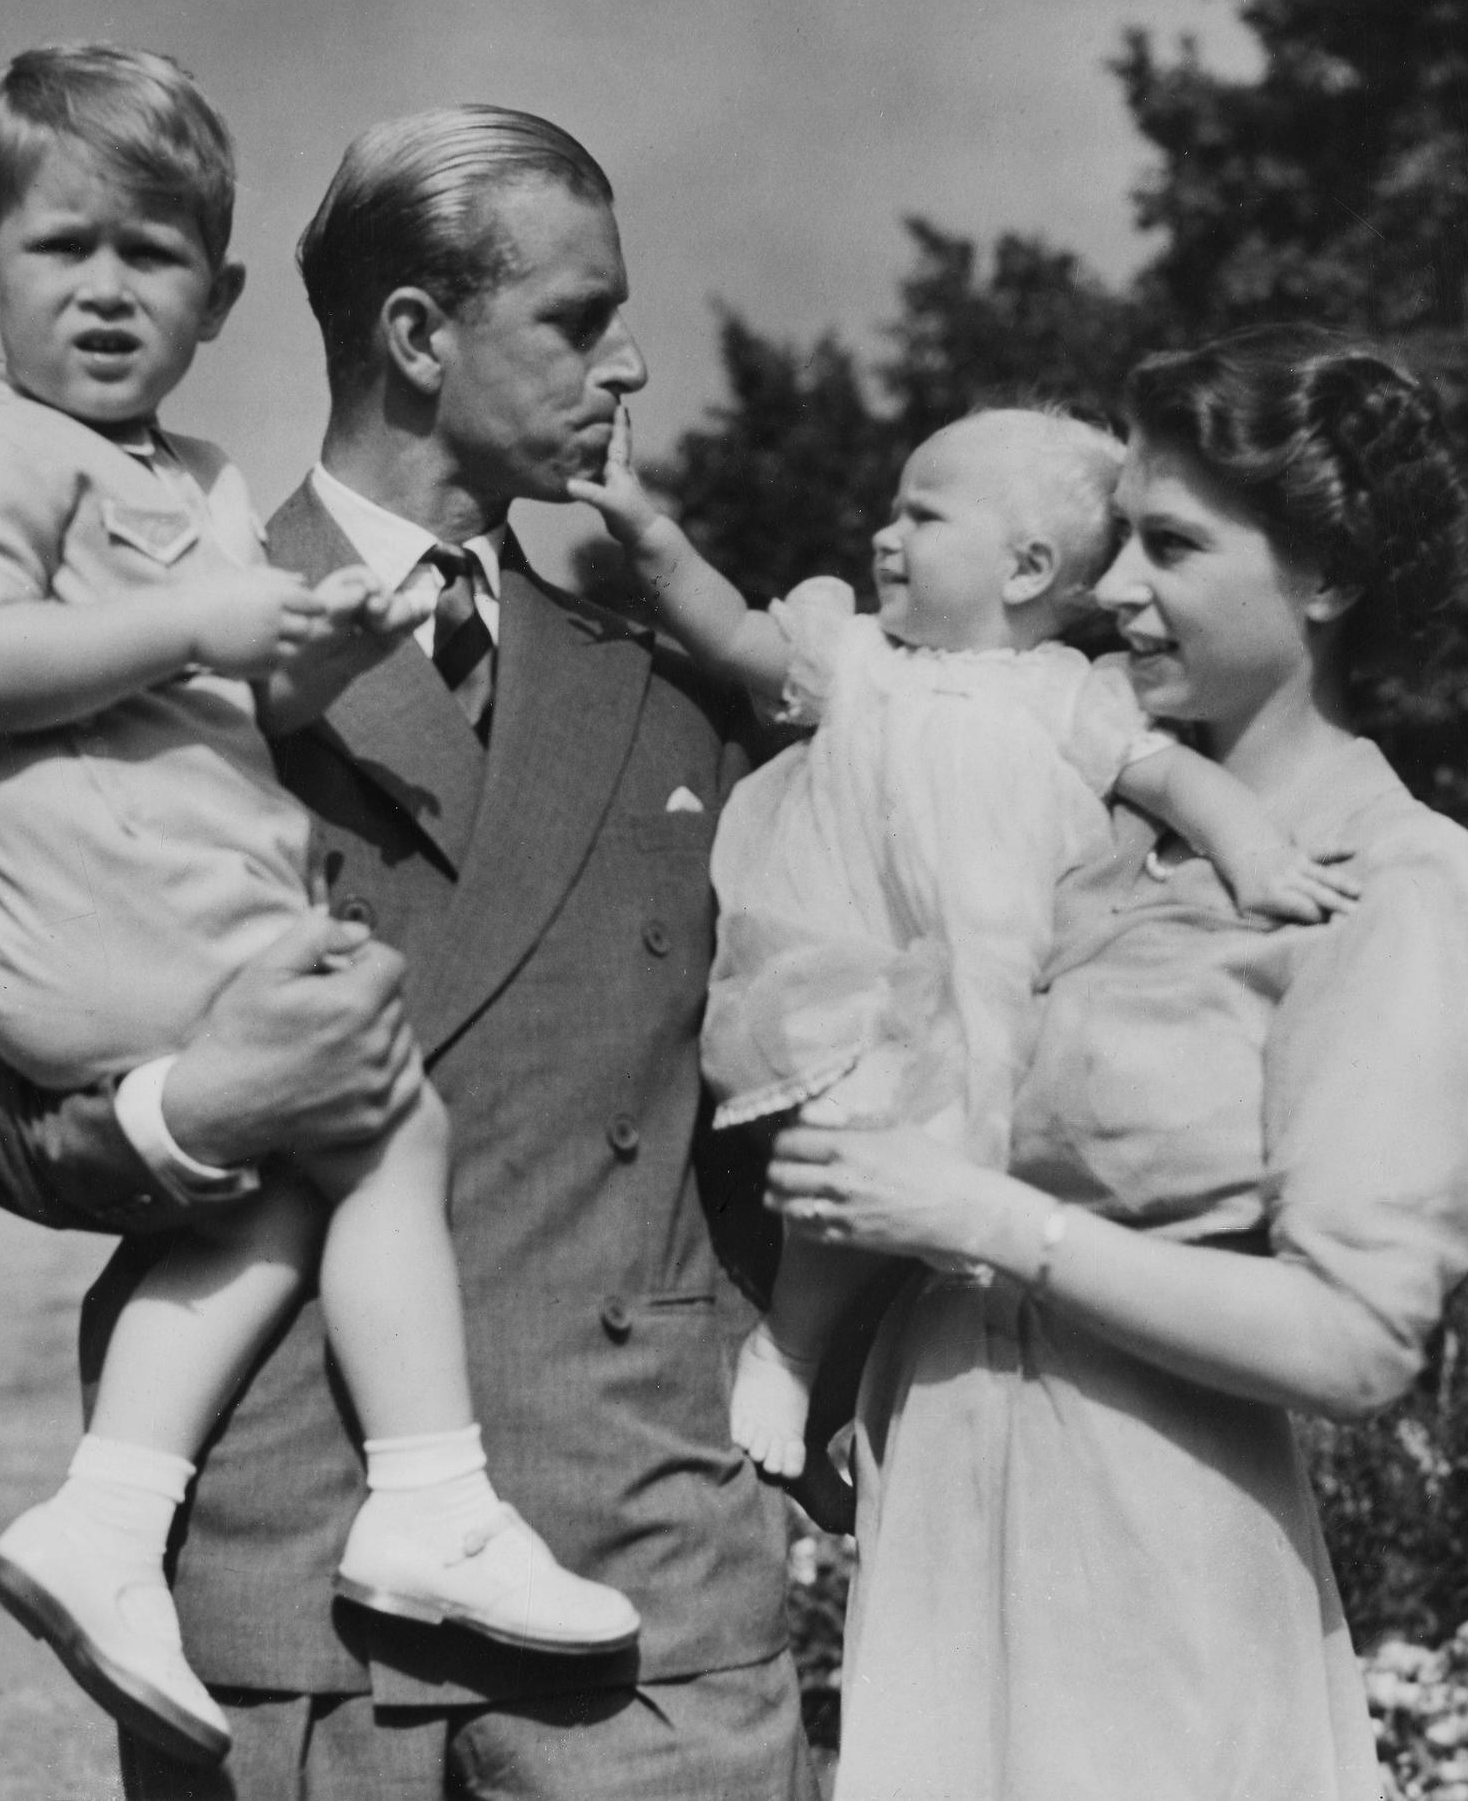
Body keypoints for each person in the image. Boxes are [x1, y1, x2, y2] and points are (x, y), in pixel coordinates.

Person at [0, 104, 816, 1801]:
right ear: (417, 334)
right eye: (578, 317)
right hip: (289, 1608)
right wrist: (193, 1112)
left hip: (644, 1594)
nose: (630, 365)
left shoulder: (670, 688)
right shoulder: (132, 639)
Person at [763, 325, 1468, 1800]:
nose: (1111, 588)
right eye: (1116, 539)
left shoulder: (1397, 883)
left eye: (1169, 545)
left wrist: (994, 1222)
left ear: (1328, 576)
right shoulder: (1085, 835)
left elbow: (1354, 1338)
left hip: (1154, 1592)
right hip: (941, 1546)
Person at [568, 404, 1356, 1480]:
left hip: (994, 995)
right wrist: (646, 534)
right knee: (855, 1150)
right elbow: (736, 634)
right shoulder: (857, 658)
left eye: (922, 516)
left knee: (952, 1205)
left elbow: (1177, 779)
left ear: (1026, 567)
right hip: (851, 976)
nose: (883, 534)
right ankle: (790, 1347)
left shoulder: (1068, 697)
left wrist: (1254, 851)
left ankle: (886, 1401)